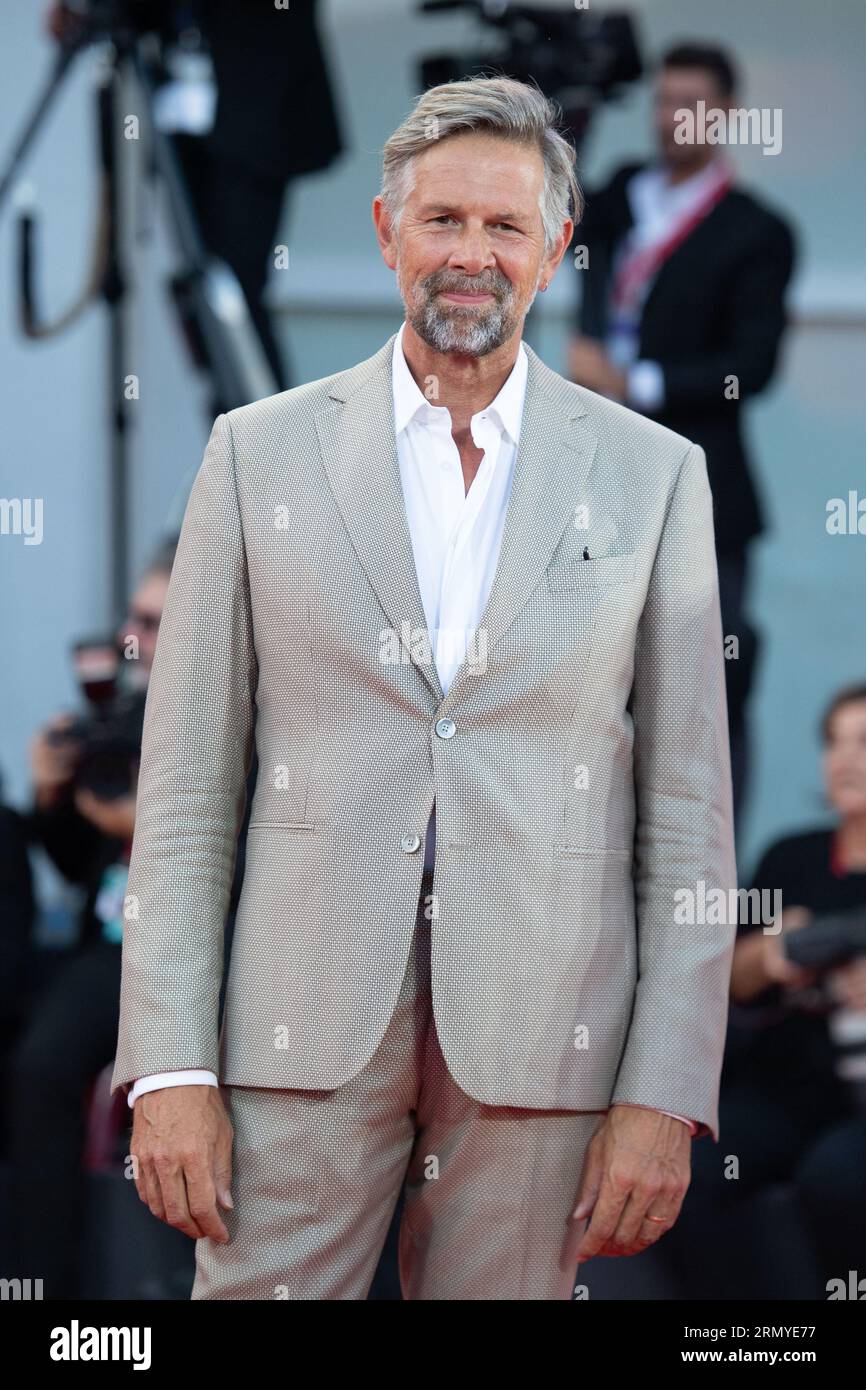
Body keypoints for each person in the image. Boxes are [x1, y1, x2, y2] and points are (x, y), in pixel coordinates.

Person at [112, 76, 737, 1302]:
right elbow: (186, 792)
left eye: (504, 227)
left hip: (541, 1047)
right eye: (443, 220)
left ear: (556, 248)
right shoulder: (256, 451)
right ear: (388, 228)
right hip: (291, 1041)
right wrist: (167, 1066)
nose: (471, 255)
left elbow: (685, 815)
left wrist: (664, 1087)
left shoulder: (655, 477)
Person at [568, 43, 796, 817]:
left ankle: (712, 867)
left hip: (706, 487)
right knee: (597, 665)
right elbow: (553, 199)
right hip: (603, 478)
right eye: (664, 101)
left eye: (692, 104)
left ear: (727, 115)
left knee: (711, 673)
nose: (673, 119)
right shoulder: (622, 192)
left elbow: (753, 367)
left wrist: (637, 382)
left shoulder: (755, 230)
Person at [7, 544, 175, 1298]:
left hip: (175, 949)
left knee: (48, 1068)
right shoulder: (126, 712)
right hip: (100, 945)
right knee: (34, 1060)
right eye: (135, 619)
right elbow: (79, 866)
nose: (138, 638)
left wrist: (151, 828)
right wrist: (52, 794)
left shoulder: (255, 709)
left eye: (159, 620)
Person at [660, 683, 866, 1298]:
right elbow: (727, 977)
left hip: (854, 1102)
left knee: (837, 1180)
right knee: (685, 1180)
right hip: (784, 1088)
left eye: (865, 743)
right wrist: (772, 954)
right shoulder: (792, 858)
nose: (845, 759)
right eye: (833, 742)